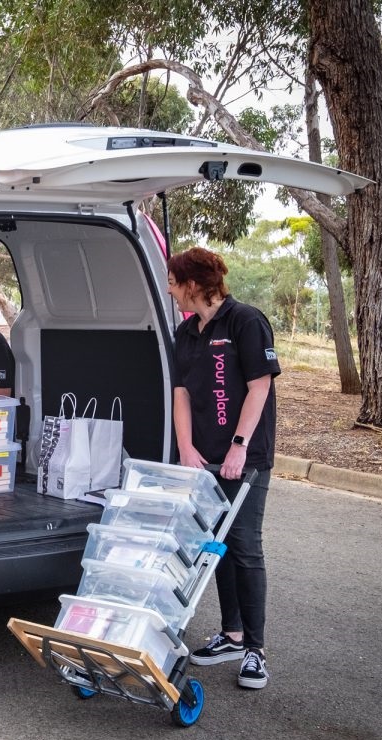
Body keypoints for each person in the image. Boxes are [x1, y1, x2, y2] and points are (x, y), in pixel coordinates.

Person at [167, 247, 280, 690]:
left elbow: (259, 387)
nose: (170, 288)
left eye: (173, 281)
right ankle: (232, 635)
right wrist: (186, 448)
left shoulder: (245, 321)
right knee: (219, 546)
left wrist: (237, 447)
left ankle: (256, 650)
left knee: (246, 545)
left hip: (245, 458)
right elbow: (181, 393)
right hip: (203, 457)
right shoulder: (186, 331)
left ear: (192, 284)